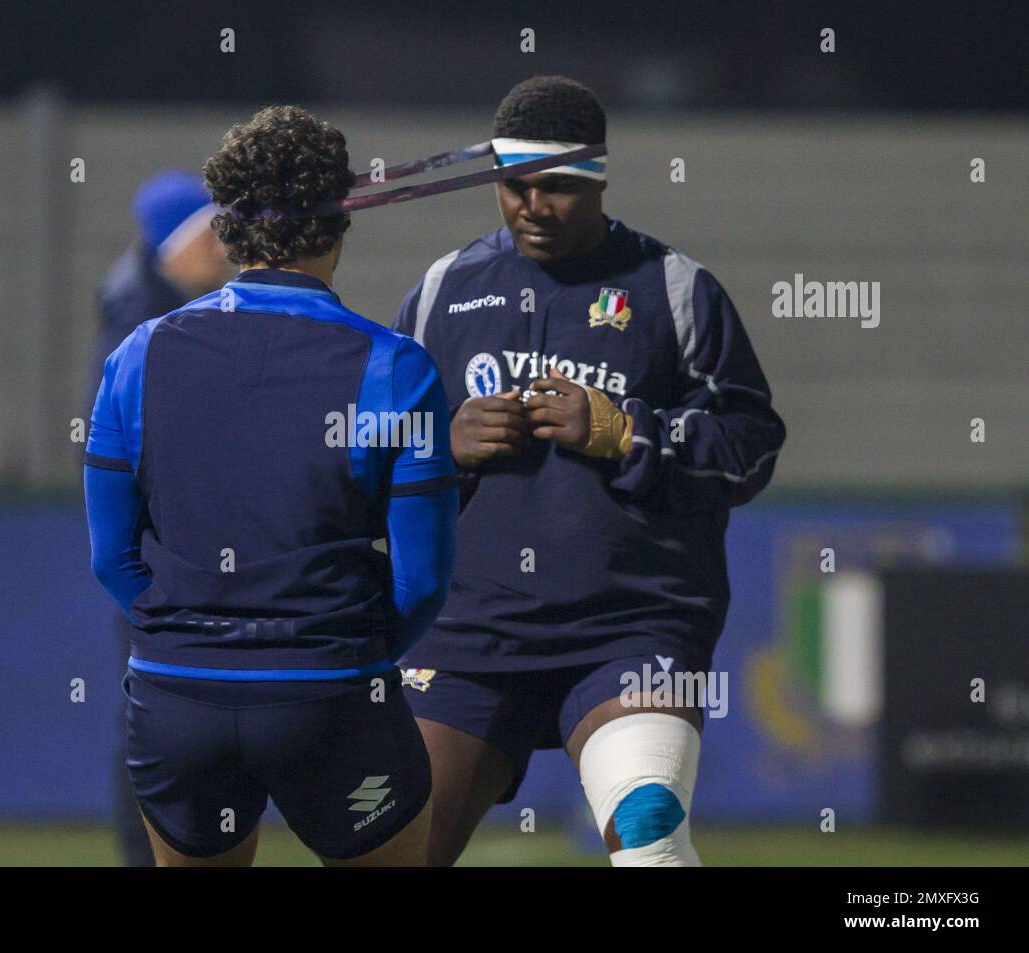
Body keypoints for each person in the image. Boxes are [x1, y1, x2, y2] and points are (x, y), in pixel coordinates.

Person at [393, 75, 786, 866]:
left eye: (559, 187)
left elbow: (752, 446)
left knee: (649, 839)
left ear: (598, 177)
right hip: (470, 634)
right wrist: (439, 442)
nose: (533, 206)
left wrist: (625, 434)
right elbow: (373, 458)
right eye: (514, 186)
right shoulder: (442, 291)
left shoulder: (675, 290)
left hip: (632, 628)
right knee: (388, 855)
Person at [84, 105, 457, 866]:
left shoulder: (136, 357)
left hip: (176, 701)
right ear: (339, 228)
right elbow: (422, 582)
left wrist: (184, 636)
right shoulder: (397, 369)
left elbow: (112, 560)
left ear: (227, 229)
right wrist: (337, 645)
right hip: (333, 695)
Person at [89, 171, 230, 867]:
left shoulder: (138, 303)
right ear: (178, 242)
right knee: (152, 712)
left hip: (156, 549)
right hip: (167, 554)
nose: (223, 247)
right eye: (211, 232)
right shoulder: (145, 324)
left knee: (153, 709)